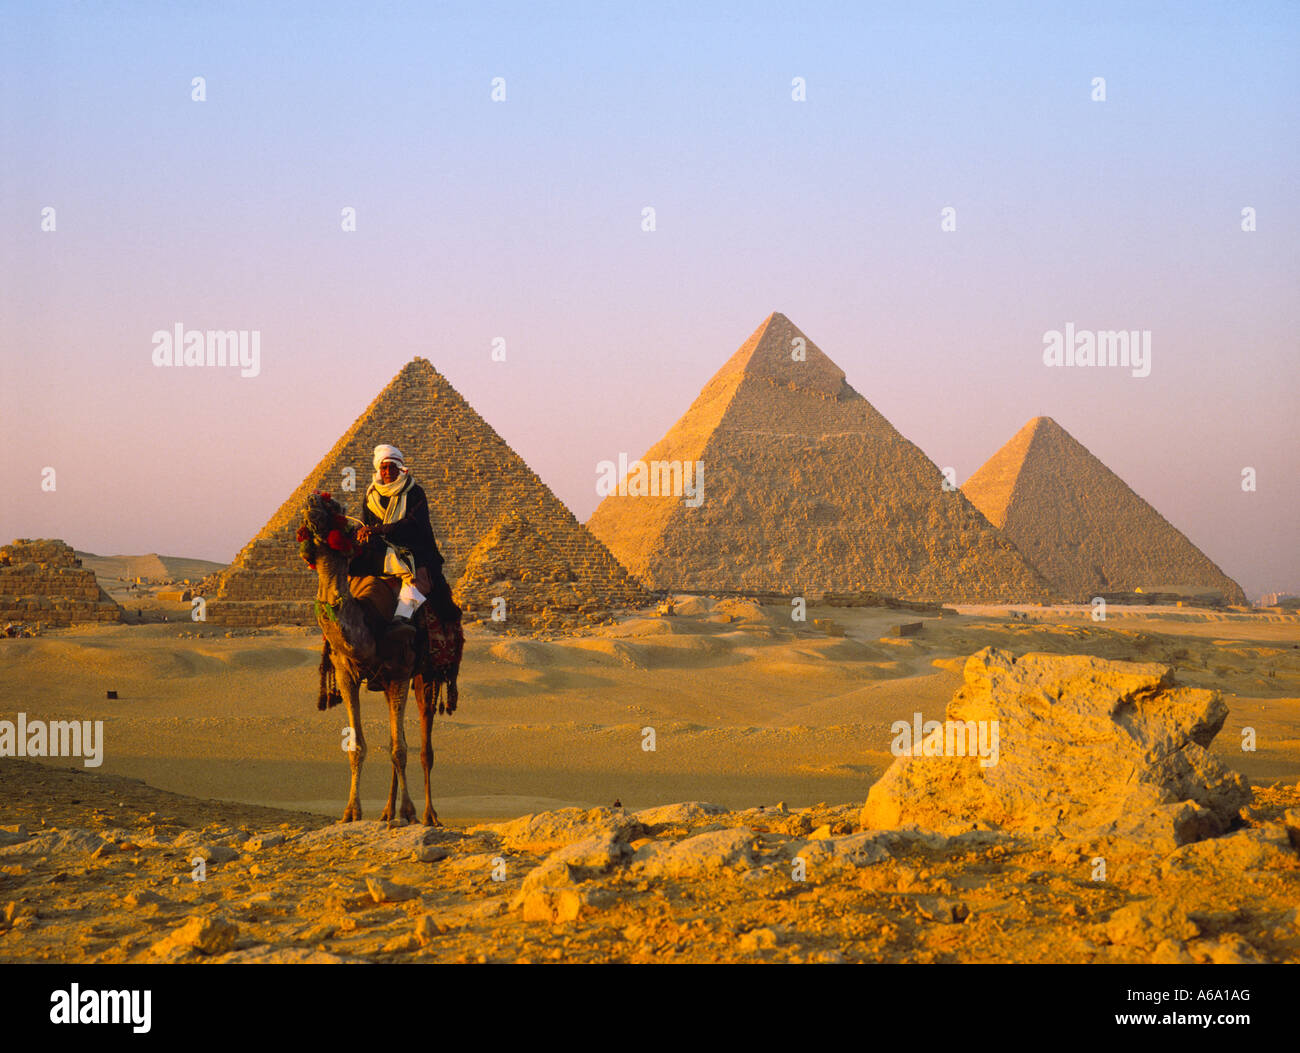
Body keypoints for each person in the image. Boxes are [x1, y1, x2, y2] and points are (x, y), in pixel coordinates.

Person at [348, 444, 449, 624]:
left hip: (410, 546)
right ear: (379, 469)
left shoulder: (414, 492)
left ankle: (402, 617)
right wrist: (360, 532)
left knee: (414, 574)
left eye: (392, 467)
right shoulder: (371, 495)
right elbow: (363, 522)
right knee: (348, 565)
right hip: (379, 549)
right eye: (384, 467)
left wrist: (379, 529)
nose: (387, 472)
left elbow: (414, 524)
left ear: (400, 469)